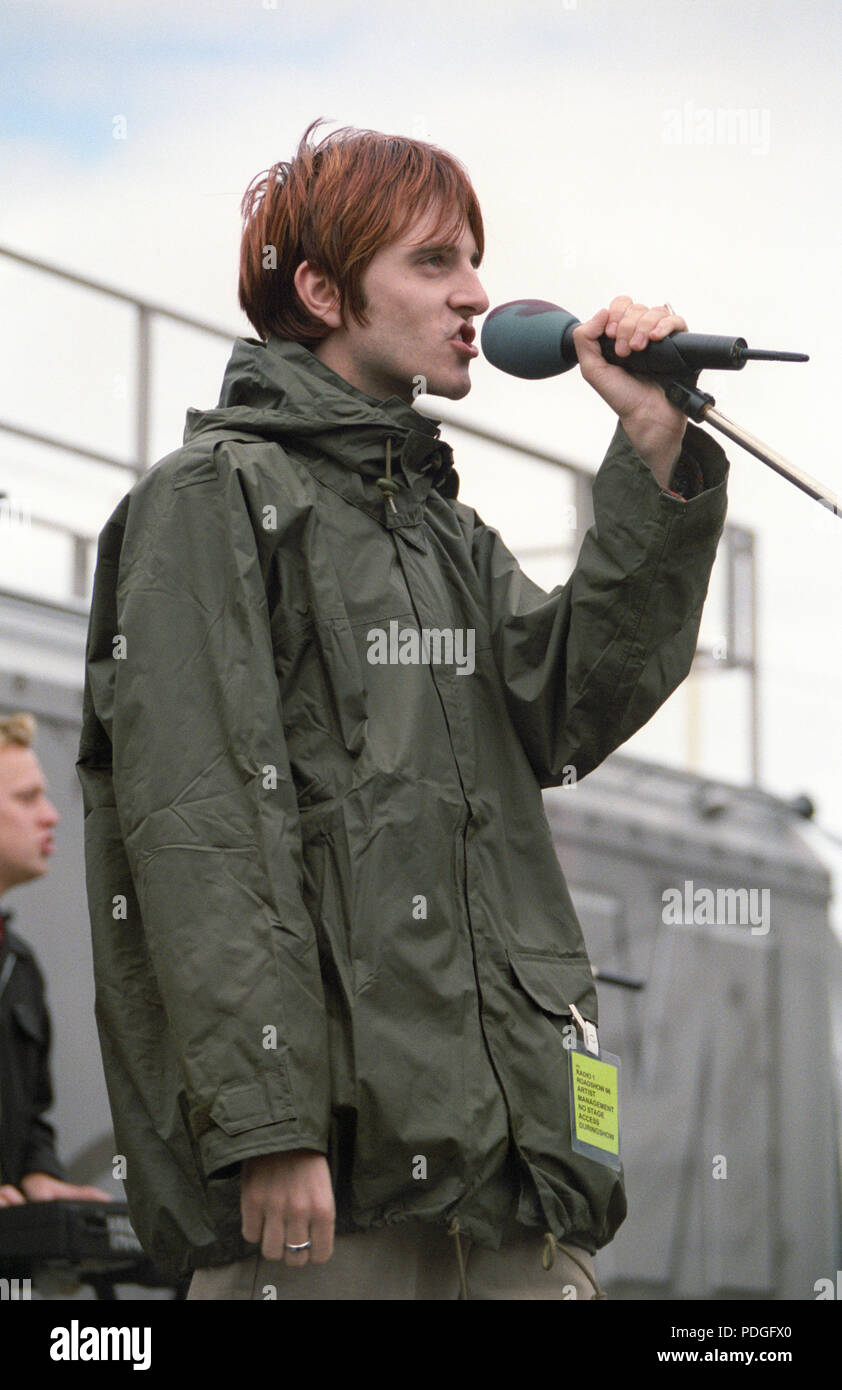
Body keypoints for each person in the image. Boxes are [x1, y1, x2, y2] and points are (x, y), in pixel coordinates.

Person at [77, 120, 729, 1300]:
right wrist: (269, 1125)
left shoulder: (444, 536)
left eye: (474, 260)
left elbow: (570, 705)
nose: (476, 294)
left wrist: (649, 444)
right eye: (432, 262)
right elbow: (200, 826)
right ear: (320, 289)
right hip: (332, 1194)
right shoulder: (209, 503)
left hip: (515, 1184)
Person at [0, 712, 111, 1209]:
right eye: (27, 798)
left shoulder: (19, 965)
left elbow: (30, 1115)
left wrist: (38, 1172)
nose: (52, 815)